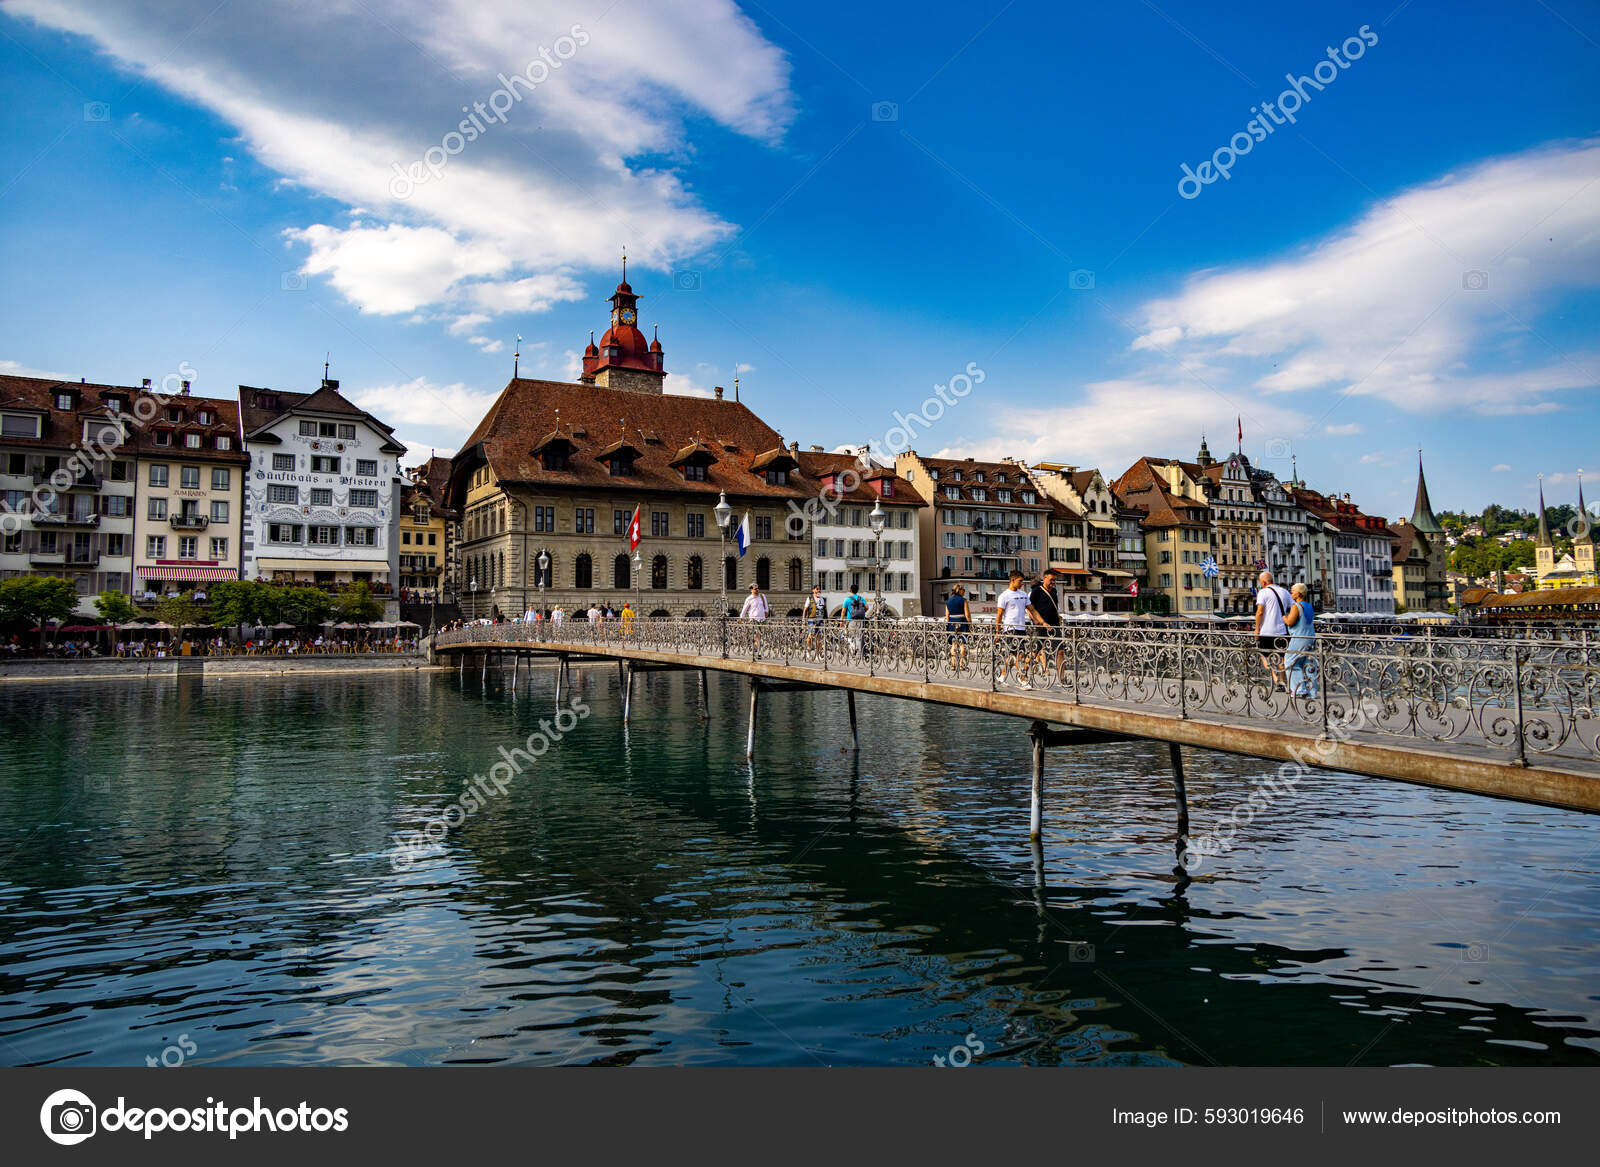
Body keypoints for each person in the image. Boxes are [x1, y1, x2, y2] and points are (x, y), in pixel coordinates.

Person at [1254, 570, 1293, 691]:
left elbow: (1260, 611)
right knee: (1282, 657)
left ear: (1264, 582)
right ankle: (1282, 681)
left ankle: (1275, 679)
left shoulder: (1263, 592)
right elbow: (1292, 609)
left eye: (1260, 583)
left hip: (1267, 631)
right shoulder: (1285, 592)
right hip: (1282, 630)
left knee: (1265, 655)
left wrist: (1257, 629)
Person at [994, 570, 1034, 688]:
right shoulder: (1004, 596)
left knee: (1012, 656)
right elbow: (999, 615)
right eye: (1020, 581)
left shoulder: (1023, 594)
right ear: (1012, 580)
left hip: (1021, 628)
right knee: (1019, 654)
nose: (1022, 583)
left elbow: (1032, 609)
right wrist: (998, 632)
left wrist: (1040, 621)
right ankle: (1022, 678)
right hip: (1010, 628)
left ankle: (1001, 676)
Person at [1028, 569, 1063, 681]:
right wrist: (1036, 621)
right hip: (1041, 626)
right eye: (1051, 579)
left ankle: (1062, 678)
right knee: (1035, 651)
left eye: (1055, 580)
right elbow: (1029, 608)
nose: (1053, 582)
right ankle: (1023, 673)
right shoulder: (1036, 591)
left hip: (1054, 625)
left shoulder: (1054, 592)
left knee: (1060, 651)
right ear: (1044, 578)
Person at [1284, 581, 1317, 698]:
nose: (1290, 593)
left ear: (1298, 594)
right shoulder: (1309, 606)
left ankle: (1299, 690)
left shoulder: (1296, 606)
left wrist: (1284, 617)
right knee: (1309, 664)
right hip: (1311, 637)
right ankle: (1312, 692)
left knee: (1290, 662)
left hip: (1299, 638)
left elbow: (1290, 621)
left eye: (1292, 591)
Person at [944, 584, 971, 668]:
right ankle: (961, 664)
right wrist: (970, 623)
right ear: (959, 590)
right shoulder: (963, 600)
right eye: (963, 589)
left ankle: (953, 664)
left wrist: (949, 624)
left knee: (954, 644)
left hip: (952, 623)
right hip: (962, 623)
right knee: (962, 644)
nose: (964, 591)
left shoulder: (949, 601)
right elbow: (967, 615)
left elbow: (947, 615)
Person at [802, 584, 827, 651]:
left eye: (819, 589)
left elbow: (824, 609)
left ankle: (818, 652)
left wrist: (826, 620)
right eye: (817, 589)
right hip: (811, 620)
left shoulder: (822, 599)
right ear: (813, 590)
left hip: (820, 620)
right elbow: (805, 610)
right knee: (810, 635)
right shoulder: (809, 598)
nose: (818, 590)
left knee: (820, 637)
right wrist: (803, 620)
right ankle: (808, 649)